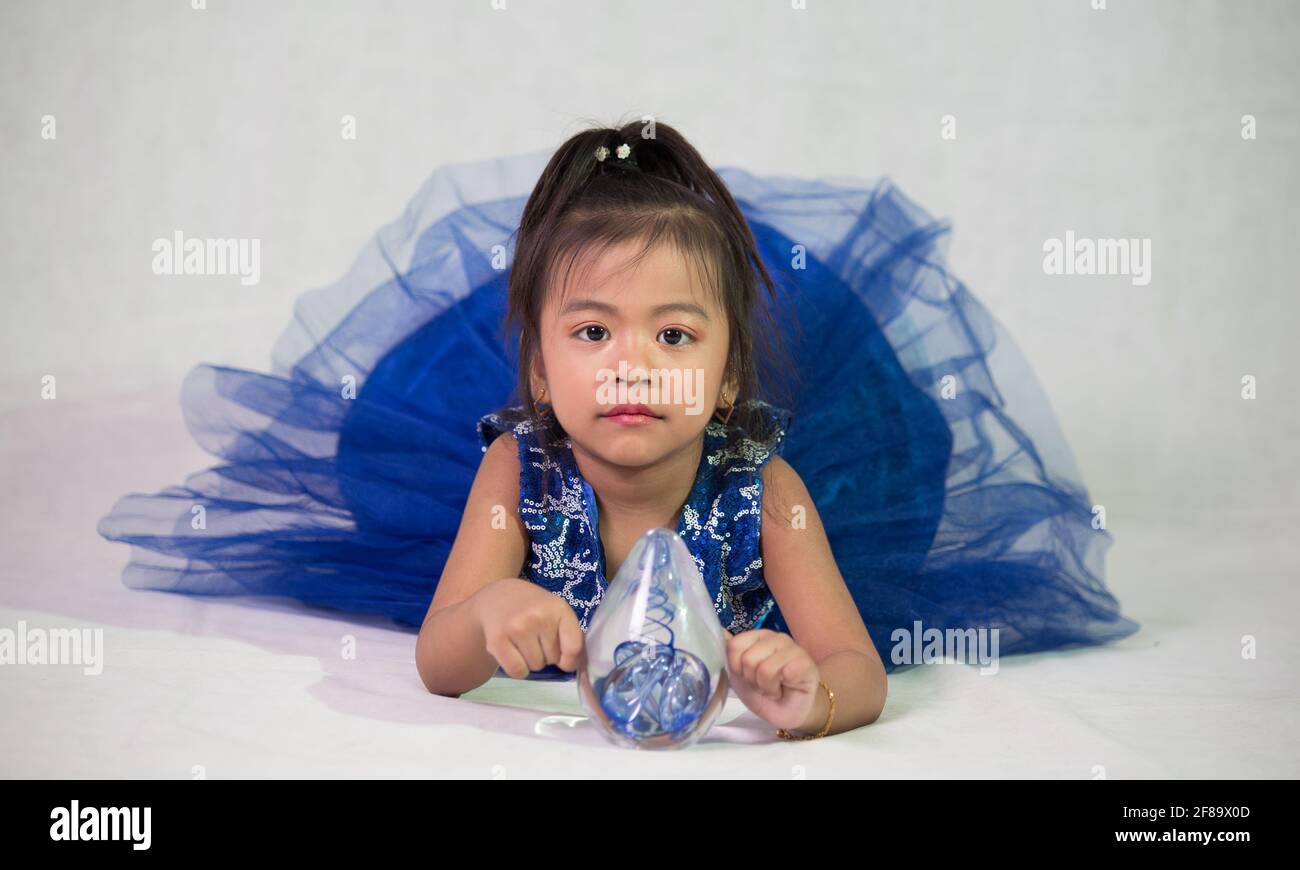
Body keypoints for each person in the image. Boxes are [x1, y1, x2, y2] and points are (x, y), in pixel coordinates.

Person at [98, 118, 1139, 740]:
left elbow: (857, 667)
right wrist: (491, 610)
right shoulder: (516, 474)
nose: (632, 364)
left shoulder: (766, 491)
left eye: (675, 336)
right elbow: (437, 661)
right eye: (592, 331)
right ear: (542, 372)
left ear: (728, 379)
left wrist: (808, 696)